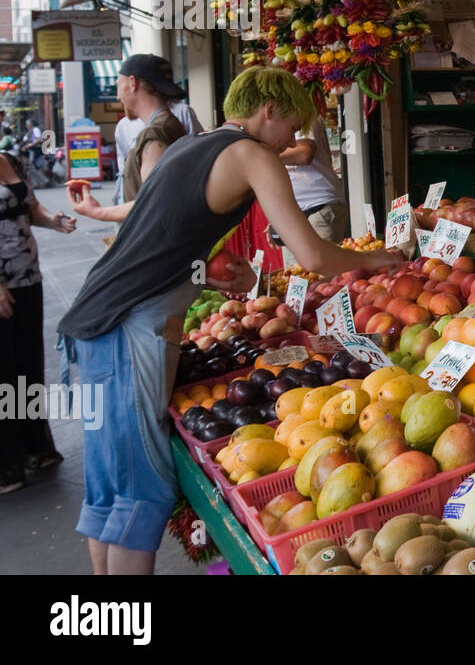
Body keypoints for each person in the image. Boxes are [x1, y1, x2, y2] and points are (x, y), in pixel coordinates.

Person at [57, 66, 401, 574]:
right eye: (292, 126)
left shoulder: (189, 147)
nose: (292, 140)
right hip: (126, 325)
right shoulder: (252, 154)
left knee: (111, 492)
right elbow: (311, 254)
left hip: (98, 317)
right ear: (269, 111)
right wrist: (380, 259)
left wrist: (206, 274)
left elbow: (158, 233)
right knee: (139, 491)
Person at [1, 147, 77, 494]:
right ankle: (7, 464)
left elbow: (30, 210)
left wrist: (55, 222)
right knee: (3, 369)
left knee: (28, 363)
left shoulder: (8, 159)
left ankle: (36, 447)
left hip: (28, 277)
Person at [67, 54, 187, 223]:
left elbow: (154, 202)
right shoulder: (169, 125)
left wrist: (97, 212)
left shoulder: (155, 134)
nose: (117, 97)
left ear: (132, 83)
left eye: (118, 86)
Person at [275, 117, 347, 263]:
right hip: (294, 212)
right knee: (295, 277)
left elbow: (304, 152)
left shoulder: (301, 114)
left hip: (316, 206)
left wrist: (264, 154)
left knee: (322, 273)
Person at [113, 100, 203, 203]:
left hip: (179, 196)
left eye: (120, 85)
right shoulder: (124, 125)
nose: (118, 97)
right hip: (137, 200)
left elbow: (200, 150)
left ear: (133, 85)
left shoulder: (182, 111)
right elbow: (123, 165)